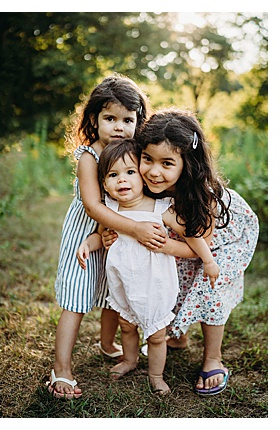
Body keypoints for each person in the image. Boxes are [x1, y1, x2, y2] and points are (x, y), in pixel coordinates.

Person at [104, 109, 259, 396]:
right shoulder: (144, 185)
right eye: (147, 159)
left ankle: (213, 358)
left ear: (187, 164)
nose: (154, 171)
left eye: (167, 163)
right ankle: (177, 336)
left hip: (219, 244)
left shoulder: (203, 195)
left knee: (209, 290)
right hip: (183, 241)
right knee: (171, 279)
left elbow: (200, 246)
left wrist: (165, 246)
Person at [43, 75, 161, 399]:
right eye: (110, 118)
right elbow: (93, 206)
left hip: (119, 236)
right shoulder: (89, 156)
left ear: (138, 121)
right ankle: (61, 368)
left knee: (114, 293)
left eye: (128, 120)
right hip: (86, 234)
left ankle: (108, 344)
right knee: (76, 298)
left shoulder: (135, 152)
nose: (119, 127)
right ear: (94, 119)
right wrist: (134, 228)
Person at [74, 139, 214, 395]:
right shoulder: (110, 209)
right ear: (103, 183)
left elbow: (191, 235)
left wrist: (208, 260)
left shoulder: (160, 209)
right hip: (123, 283)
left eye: (130, 172)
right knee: (126, 326)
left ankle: (156, 375)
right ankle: (129, 360)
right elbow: (99, 234)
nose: (122, 180)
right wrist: (88, 244)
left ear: (141, 175)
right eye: (113, 175)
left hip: (155, 285)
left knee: (157, 335)